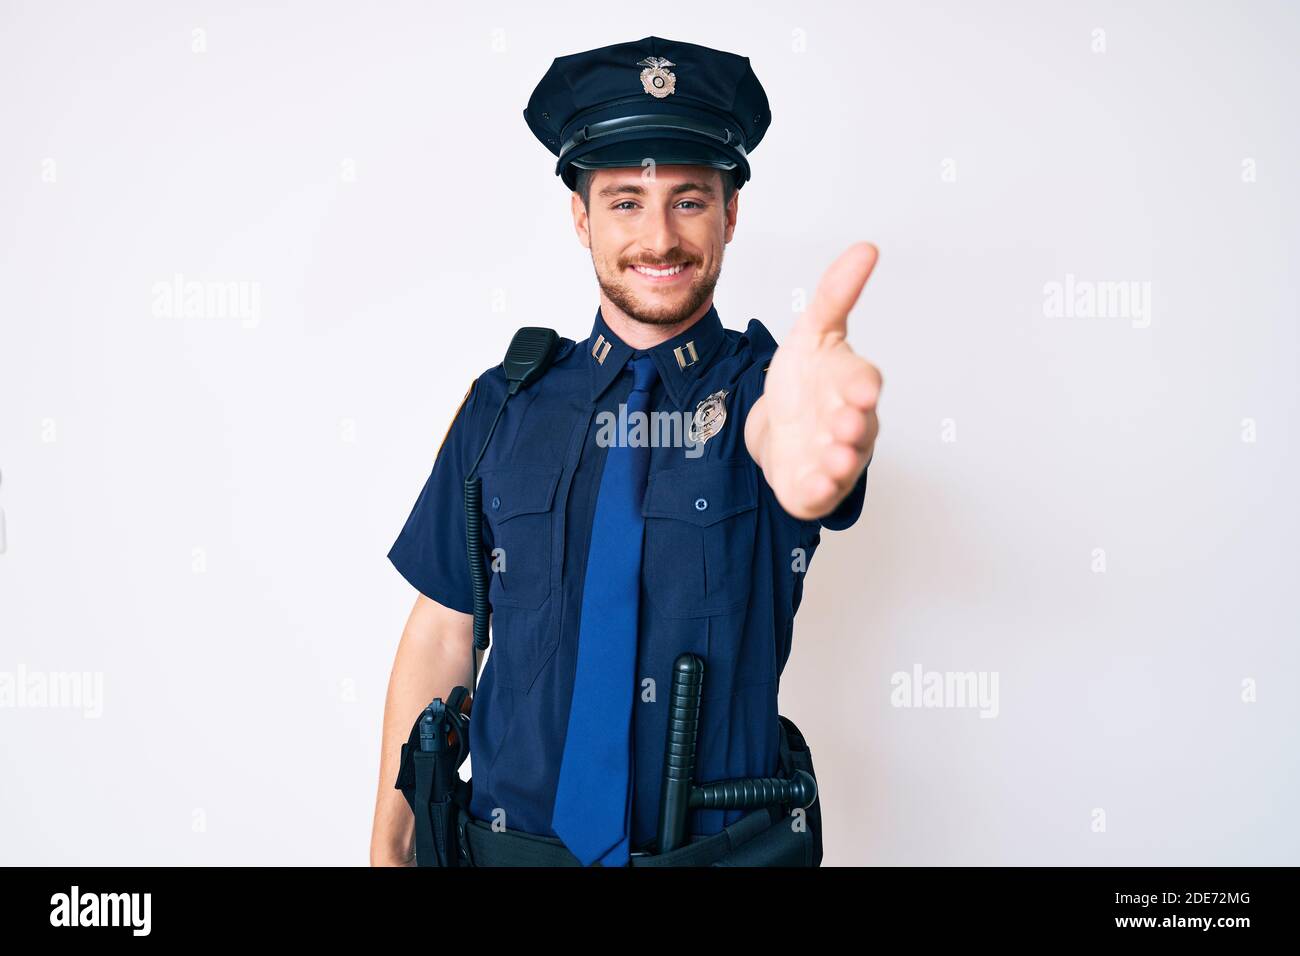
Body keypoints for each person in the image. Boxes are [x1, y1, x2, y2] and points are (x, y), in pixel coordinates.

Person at [370, 35, 883, 867]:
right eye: (624, 202)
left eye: (689, 200)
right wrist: (389, 845)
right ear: (581, 216)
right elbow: (442, 627)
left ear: (731, 214)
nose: (659, 237)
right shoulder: (503, 406)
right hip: (506, 853)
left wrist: (812, 453)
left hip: (713, 854)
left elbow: (793, 447)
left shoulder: (766, 393)